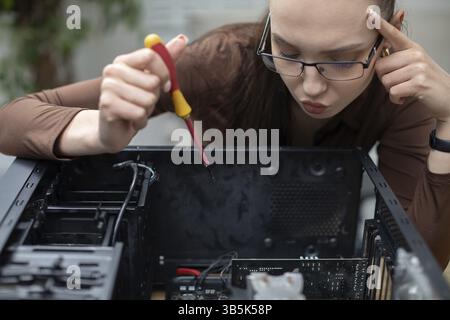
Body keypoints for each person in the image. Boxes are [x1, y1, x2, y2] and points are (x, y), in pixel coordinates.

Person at [1, 0, 450, 268]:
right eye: (288, 51)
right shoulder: (222, 64)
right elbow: (13, 118)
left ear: (387, 36)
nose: (311, 86)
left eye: (343, 59)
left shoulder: (400, 92)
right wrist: (99, 134)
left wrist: (448, 127)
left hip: (315, 261)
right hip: (206, 255)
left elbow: (413, 266)